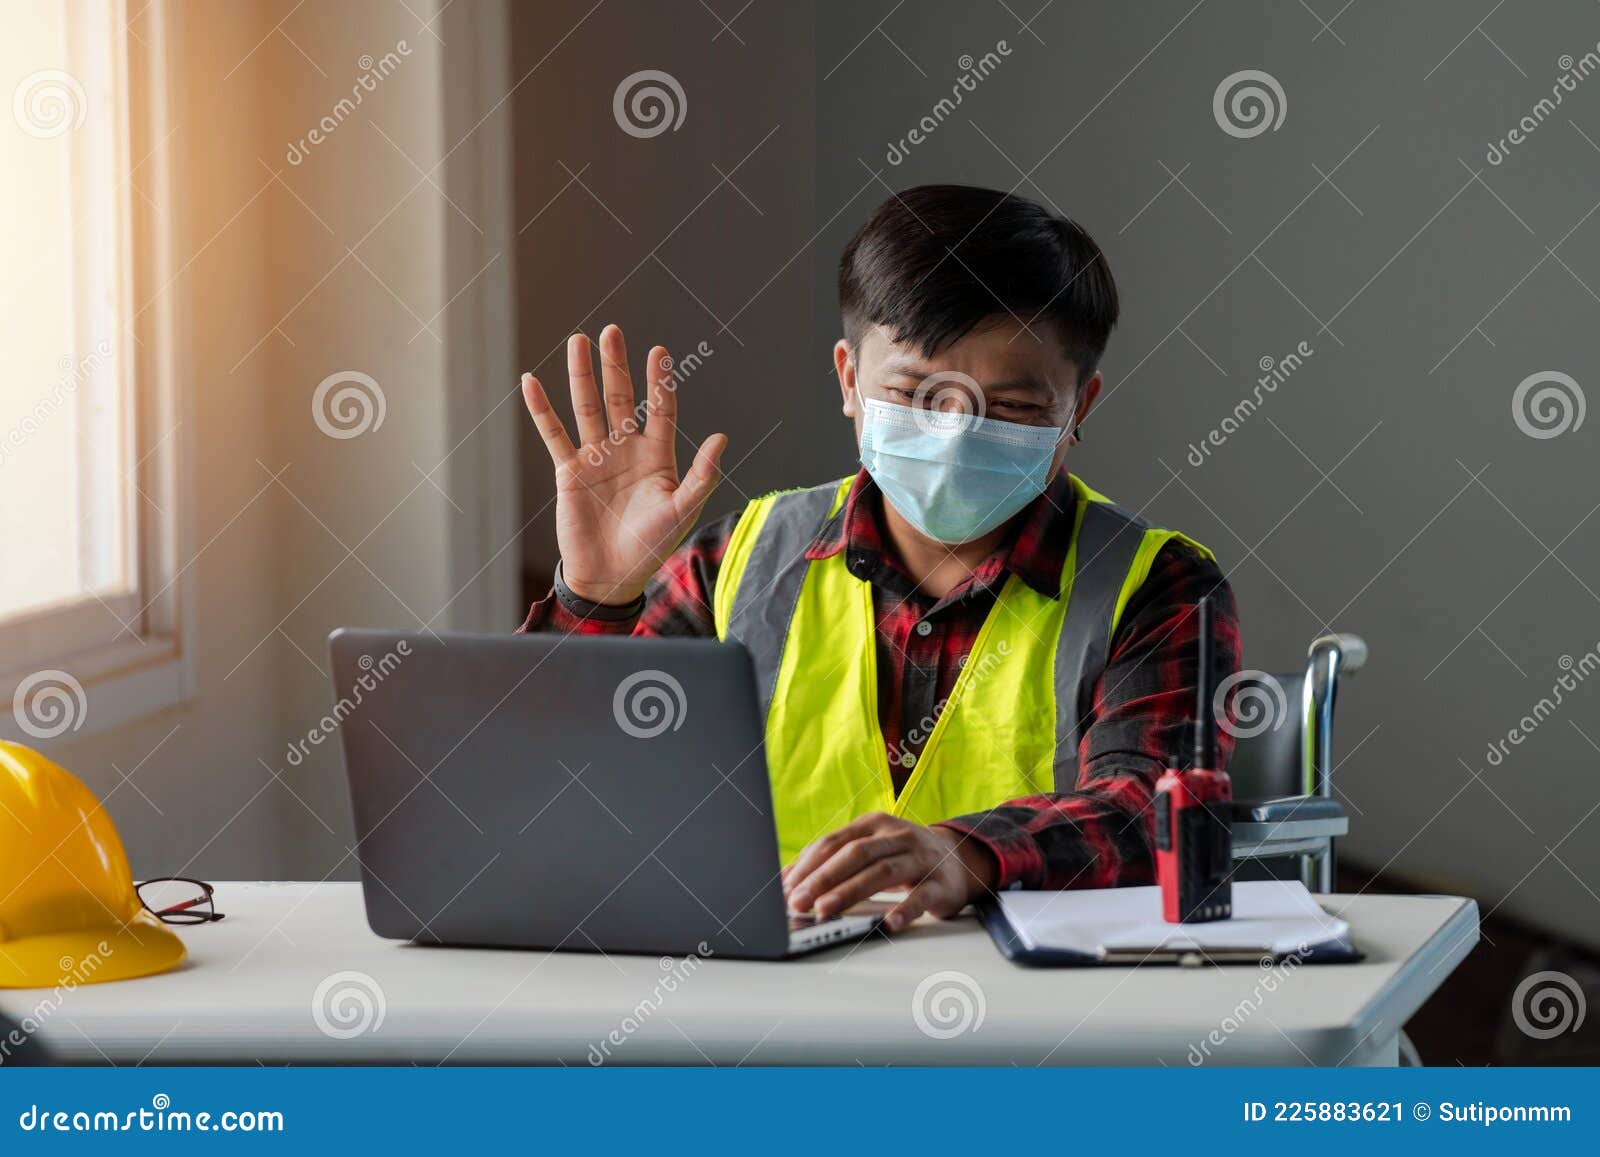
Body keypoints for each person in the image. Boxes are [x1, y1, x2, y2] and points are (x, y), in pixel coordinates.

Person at [517, 184, 1240, 934]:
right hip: (757, 1003)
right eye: (915, 392)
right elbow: (552, 798)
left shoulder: (1159, 587)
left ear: (1078, 409)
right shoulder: (736, 560)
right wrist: (596, 599)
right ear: (849, 380)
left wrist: (968, 852)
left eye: (1015, 407)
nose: (956, 434)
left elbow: (1155, 807)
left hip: (1038, 1022)